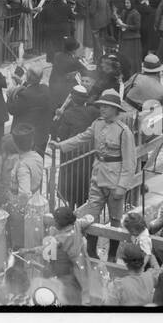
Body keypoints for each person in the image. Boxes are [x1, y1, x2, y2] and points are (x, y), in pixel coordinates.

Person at [51, 89, 137, 226]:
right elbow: (82, 138)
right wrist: (60, 145)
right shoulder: (98, 123)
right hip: (97, 177)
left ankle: (113, 248)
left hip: (114, 181)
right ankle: (91, 248)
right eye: (101, 105)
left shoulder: (123, 131)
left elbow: (130, 163)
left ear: (115, 109)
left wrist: (122, 186)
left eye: (106, 106)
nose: (102, 108)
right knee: (90, 218)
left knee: (115, 220)